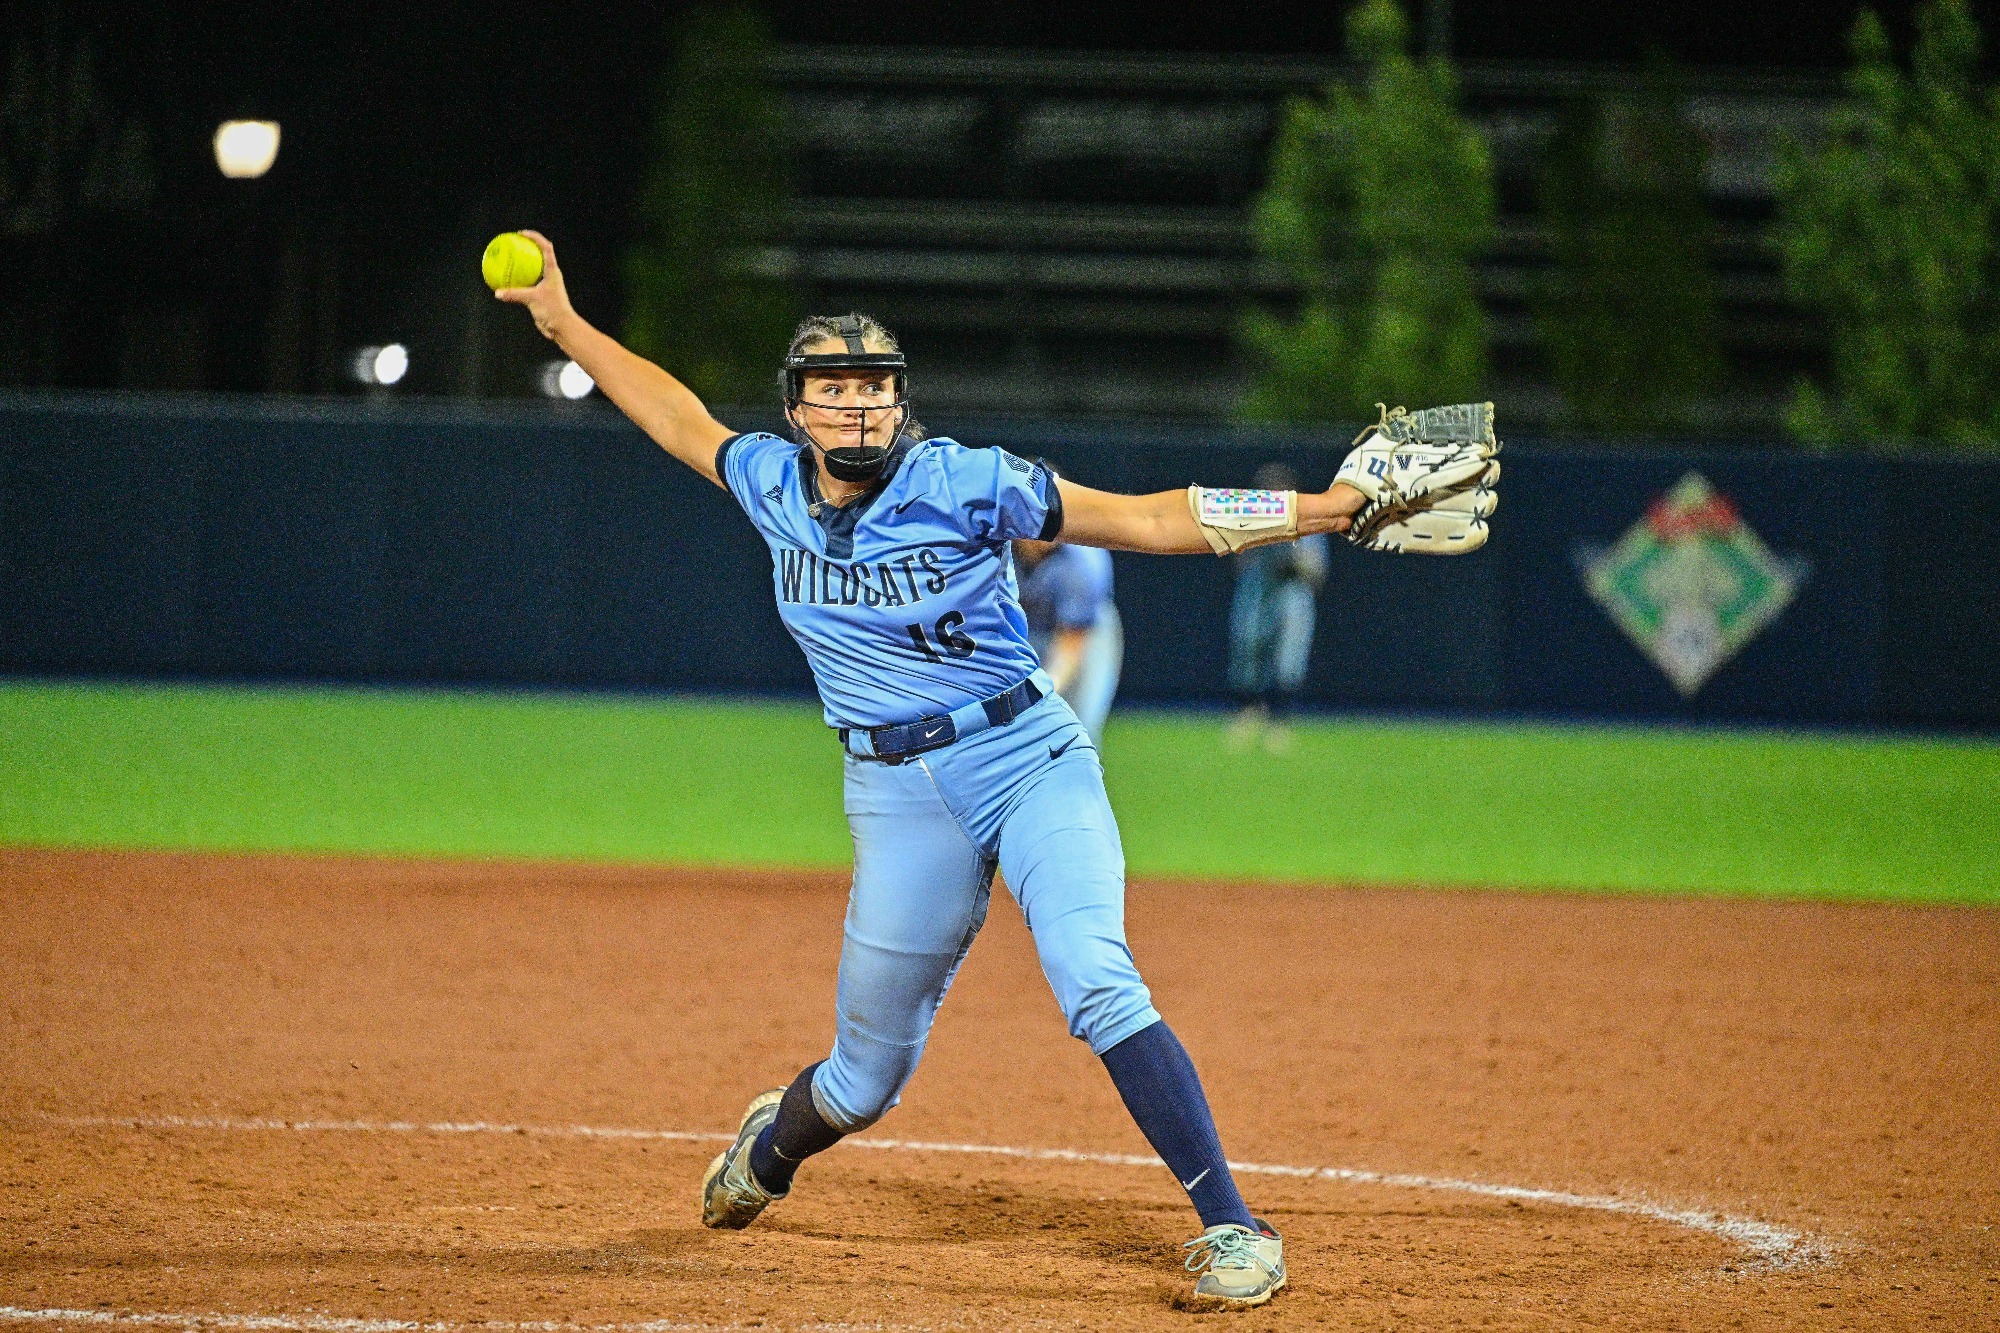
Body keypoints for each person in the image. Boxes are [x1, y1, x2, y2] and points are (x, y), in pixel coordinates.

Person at [494, 230, 1473, 1308]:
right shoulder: (768, 481)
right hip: (893, 798)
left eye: (874, 387)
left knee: (1096, 977)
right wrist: (561, 322)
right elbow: (676, 414)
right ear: (797, 408)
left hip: (1025, 755)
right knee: (861, 1081)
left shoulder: (964, 479)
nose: (858, 408)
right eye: (833, 389)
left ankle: (1234, 1226)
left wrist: (1317, 510)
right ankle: (769, 1154)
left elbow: (1145, 517)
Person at [1226, 462, 1330, 753]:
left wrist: (1294, 563)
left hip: (1292, 592)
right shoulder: (1250, 519)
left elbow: (1317, 570)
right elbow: (1238, 559)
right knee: (1248, 647)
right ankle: (1247, 714)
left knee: (1288, 660)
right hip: (1259, 588)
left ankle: (1280, 723)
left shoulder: (1306, 520)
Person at [1012, 513, 1122, 746]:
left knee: (1079, 728)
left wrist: (1040, 695)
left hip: (1085, 636)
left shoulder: (1083, 560)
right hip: (1023, 632)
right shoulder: (995, 551)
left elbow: (1070, 647)